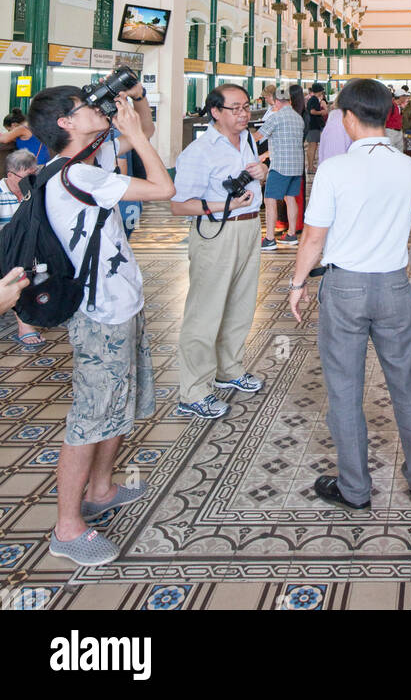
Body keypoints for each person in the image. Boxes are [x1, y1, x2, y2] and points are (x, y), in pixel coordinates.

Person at [25, 80, 173, 566]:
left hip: (121, 303)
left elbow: (142, 131)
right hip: (99, 314)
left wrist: (137, 104)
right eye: (85, 106)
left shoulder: (86, 165)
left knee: (118, 406)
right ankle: (67, 527)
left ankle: (103, 488)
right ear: (66, 123)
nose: (95, 108)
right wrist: (137, 134)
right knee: (89, 419)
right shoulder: (77, 177)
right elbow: (162, 188)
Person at [289, 80, 411, 509]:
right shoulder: (409, 167)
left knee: (344, 388)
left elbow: (313, 239)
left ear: (349, 117)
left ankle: (355, 489)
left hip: (346, 287)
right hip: (394, 285)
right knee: (407, 384)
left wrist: (298, 284)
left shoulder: (335, 169)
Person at [170, 85, 268, 420]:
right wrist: (224, 204)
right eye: (236, 108)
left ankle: (230, 368)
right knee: (205, 311)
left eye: (247, 107)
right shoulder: (199, 152)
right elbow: (179, 206)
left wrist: (262, 174)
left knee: (241, 303)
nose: (244, 114)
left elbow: (253, 182)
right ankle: (194, 390)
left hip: (250, 227)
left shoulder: (249, 141)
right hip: (217, 232)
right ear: (215, 111)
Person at [0, 150, 44, 347]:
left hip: (26, 248)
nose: (32, 181)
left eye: (35, 175)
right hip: (5, 250)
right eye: (28, 177)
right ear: (11, 175)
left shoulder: (32, 193)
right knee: (17, 263)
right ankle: (24, 325)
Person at [253, 89, 305, 251]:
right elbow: (286, 142)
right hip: (296, 166)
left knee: (269, 200)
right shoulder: (298, 118)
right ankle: (291, 235)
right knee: (290, 198)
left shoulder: (276, 117)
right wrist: (267, 153)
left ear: (276, 102)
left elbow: (257, 137)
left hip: (280, 166)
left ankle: (269, 238)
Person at [304, 84, 328, 175]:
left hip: (312, 126)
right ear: (319, 91)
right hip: (313, 126)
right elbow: (312, 111)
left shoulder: (312, 99)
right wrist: (321, 112)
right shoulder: (314, 99)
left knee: (312, 146)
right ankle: (310, 167)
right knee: (312, 147)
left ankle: (311, 166)